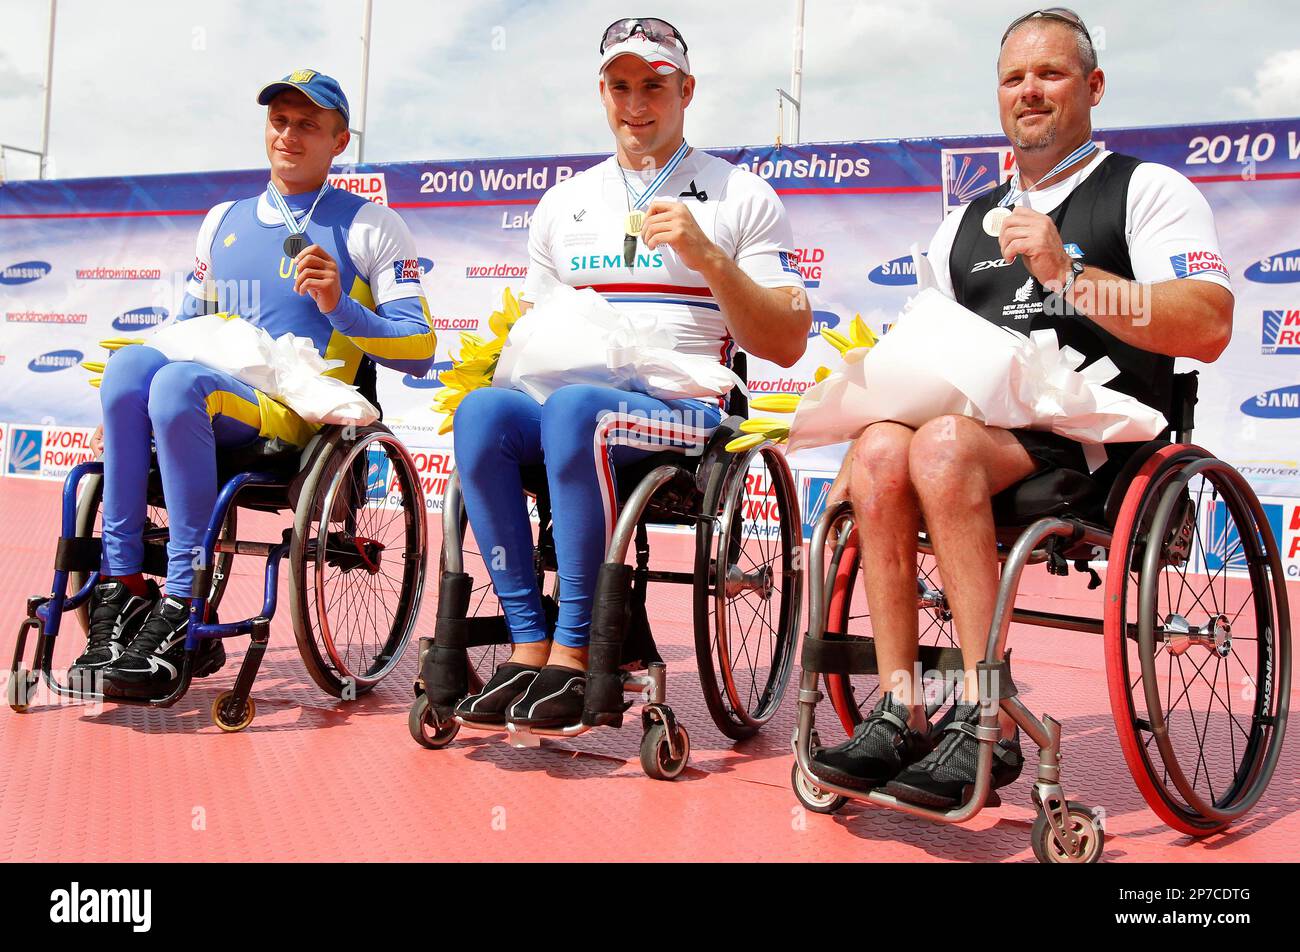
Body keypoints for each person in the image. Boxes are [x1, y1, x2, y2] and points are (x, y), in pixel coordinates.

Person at [812, 8, 1233, 807]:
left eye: (1050, 73)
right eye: (1013, 78)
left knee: (938, 444)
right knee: (877, 450)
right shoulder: (962, 224)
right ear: (998, 97)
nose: (1029, 91)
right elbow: (918, 357)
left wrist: (1069, 275)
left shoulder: (1146, 191)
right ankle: (902, 707)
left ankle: (988, 723)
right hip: (973, 435)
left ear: (1094, 86)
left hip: (1098, 443)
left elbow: (1210, 325)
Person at [452, 17, 810, 728]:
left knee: (576, 410)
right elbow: (536, 333)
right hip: (575, 408)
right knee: (483, 414)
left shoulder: (741, 194)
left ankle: (579, 653)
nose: (636, 103)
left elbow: (790, 340)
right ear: (603, 92)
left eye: (654, 85)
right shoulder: (565, 203)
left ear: (687, 89)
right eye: (621, 86)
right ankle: (529, 646)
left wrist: (709, 257)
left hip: (686, 414)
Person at [76, 69, 435, 700]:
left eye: (308, 125)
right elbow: (188, 327)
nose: (289, 135)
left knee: (180, 384)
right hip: (208, 389)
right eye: (279, 121)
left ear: (340, 140)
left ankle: (183, 598)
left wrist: (338, 307)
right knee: (133, 367)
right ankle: (123, 585)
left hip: (293, 410)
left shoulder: (371, 227)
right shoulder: (222, 222)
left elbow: (419, 350)